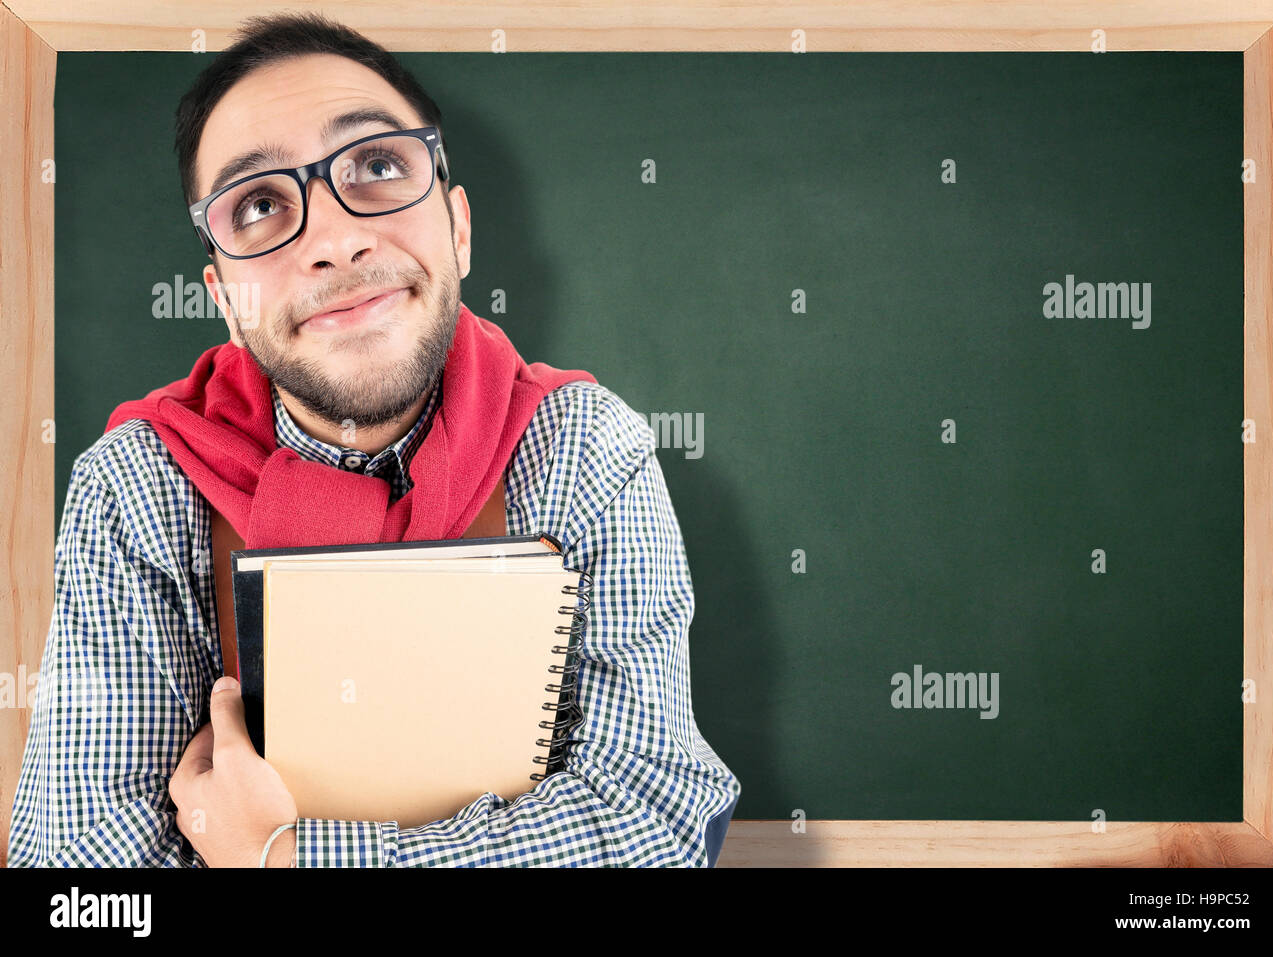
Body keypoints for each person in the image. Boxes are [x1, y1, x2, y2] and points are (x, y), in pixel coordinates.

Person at [7, 11, 739, 867]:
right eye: (260, 205)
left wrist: (282, 857)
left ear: (459, 229)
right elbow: (81, 886)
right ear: (225, 300)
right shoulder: (134, 488)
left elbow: (652, 819)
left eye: (379, 166)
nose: (334, 238)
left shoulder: (585, 449)